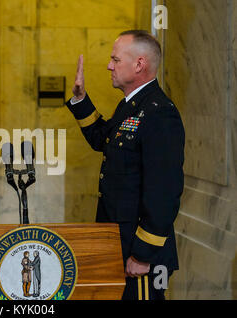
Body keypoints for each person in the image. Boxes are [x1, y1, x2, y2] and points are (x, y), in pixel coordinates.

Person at [66, 30, 185, 300]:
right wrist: (80, 99)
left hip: (140, 254)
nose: (109, 65)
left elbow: (164, 193)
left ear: (139, 64)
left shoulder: (159, 113)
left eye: (115, 60)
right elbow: (103, 140)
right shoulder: (130, 107)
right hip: (118, 244)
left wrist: (143, 253)